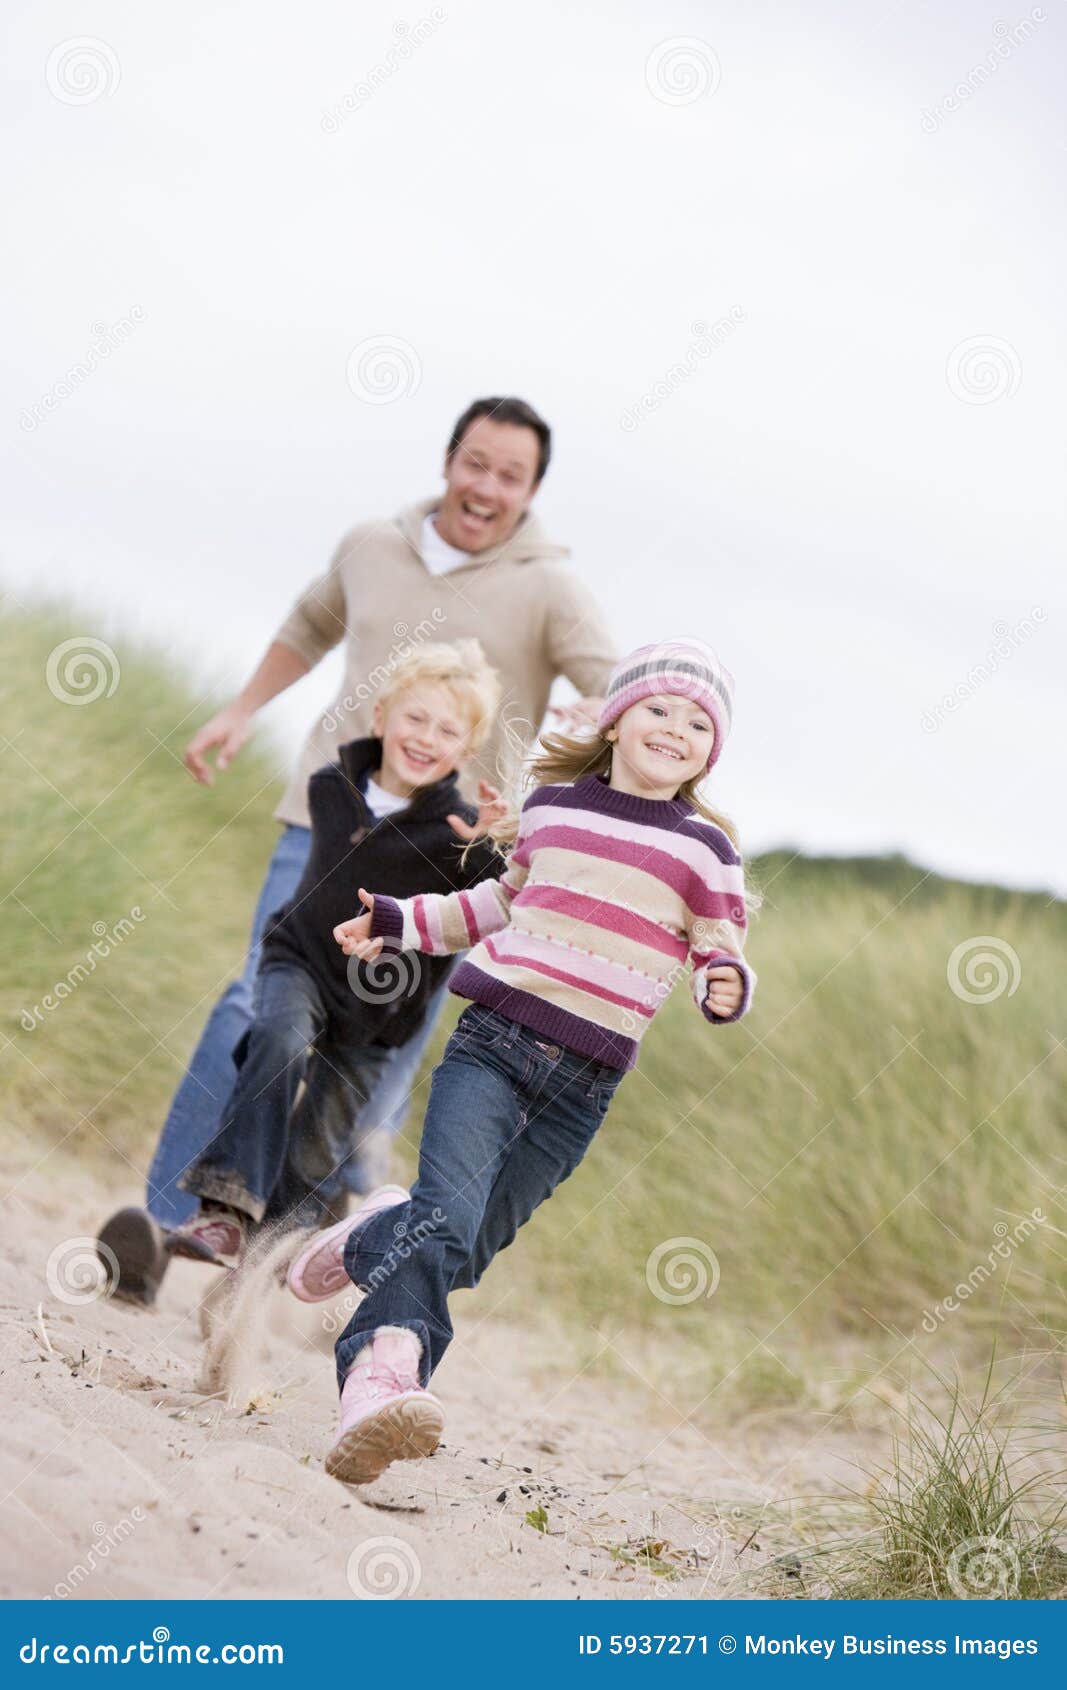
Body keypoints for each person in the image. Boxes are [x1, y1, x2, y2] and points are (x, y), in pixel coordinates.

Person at [96, 396, 616, 1305]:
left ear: (531, 492)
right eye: (476, 463)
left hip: (448, 851)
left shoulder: (549, 586)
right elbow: (306, 628)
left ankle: (298, 1234)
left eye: (511, 476)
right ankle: (174, 1222)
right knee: (255, 1001)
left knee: (383, 1037)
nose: (486, 488)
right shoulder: (371, 544)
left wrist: (587, 727)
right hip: (329, 817)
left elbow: (613, 684)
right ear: (450, 459)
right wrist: (238, 710)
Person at [286, 640, 757, 1485]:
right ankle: (379, 1381)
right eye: (657, 708)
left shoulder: (705, 851)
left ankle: (366, 1241)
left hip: (583, 1087)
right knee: (444, 1225)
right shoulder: (553, 809)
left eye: (697, 723)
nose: (674, 729)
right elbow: (496, 904)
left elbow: (720, 945)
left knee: (465, 1248)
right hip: (493, 1046)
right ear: (615, 721)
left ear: (708, 752)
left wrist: (723, 980)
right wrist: (397, 919)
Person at [164, 640, 504, 1266]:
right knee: (280, 1042)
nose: (426, 737)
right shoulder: (329, 789)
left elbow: (502, 897)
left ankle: (273, 1261)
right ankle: (225, 1211)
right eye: (415, 717)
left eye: (447, 729)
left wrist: (494, 845)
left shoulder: (462, 835)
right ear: (381, 719)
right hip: (303, 964)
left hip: (381, 1011)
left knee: (320, 1145)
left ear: (468, 747)